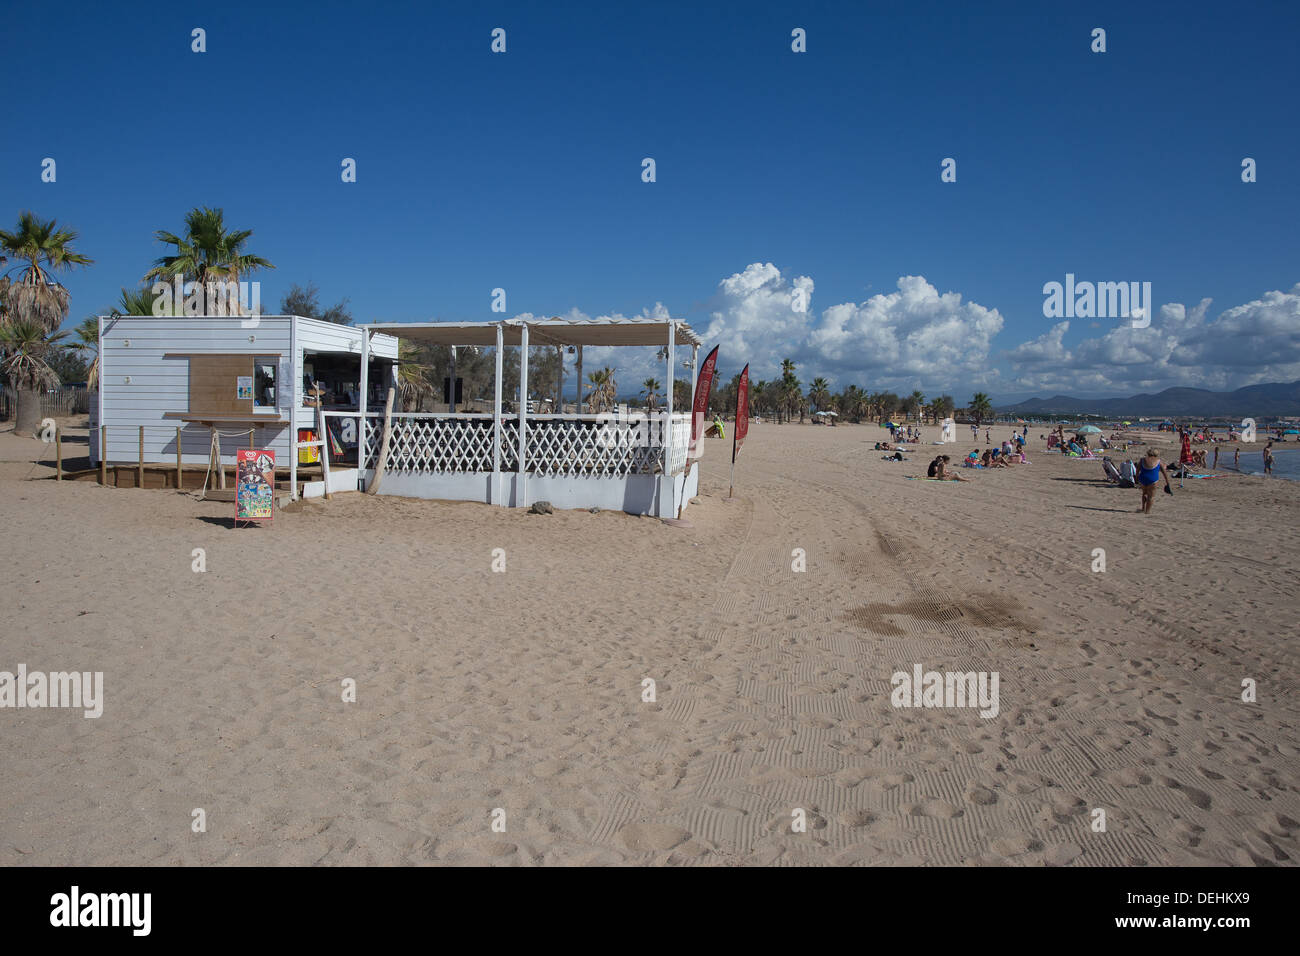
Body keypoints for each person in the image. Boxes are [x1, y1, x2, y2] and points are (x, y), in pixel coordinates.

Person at [1136, 447, 1172, 514]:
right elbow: (1164, 473)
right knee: (1151, 496)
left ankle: (1143, 508)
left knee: (1144, 493)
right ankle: (1147, 511)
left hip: (1143, 478)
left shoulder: (1142, 460)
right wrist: (1167, 483)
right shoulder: (1158, 461)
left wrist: (1136, 478)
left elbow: (1137, 469)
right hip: (1153, 479)